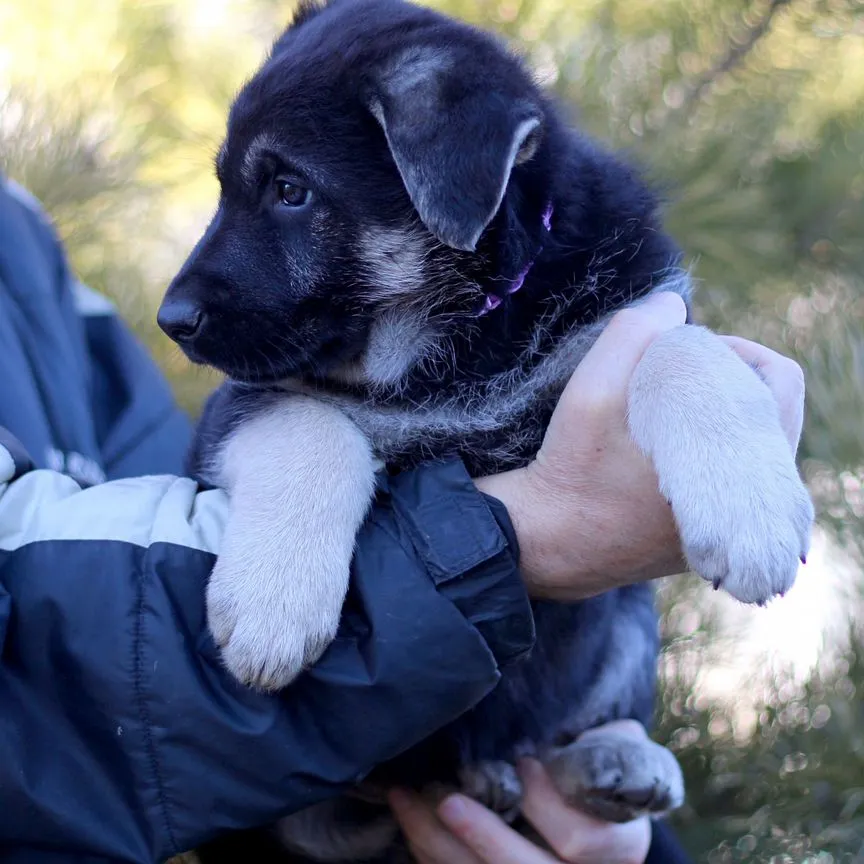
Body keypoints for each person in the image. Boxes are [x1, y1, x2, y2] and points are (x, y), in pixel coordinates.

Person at [0, 173, 805, 864]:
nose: (192, 287)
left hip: (490, 764)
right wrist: (519, 535)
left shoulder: (26, 251)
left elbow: (163, 530)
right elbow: (179, 592)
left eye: (286, 194)